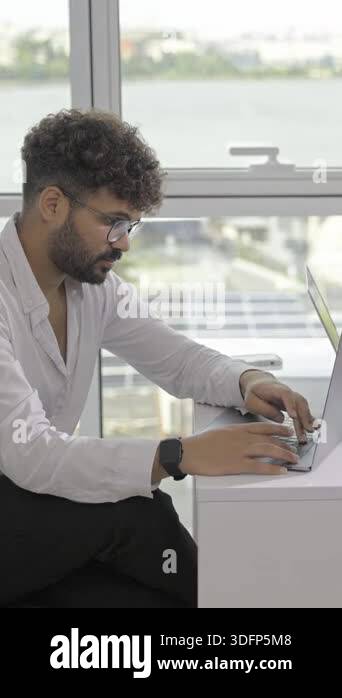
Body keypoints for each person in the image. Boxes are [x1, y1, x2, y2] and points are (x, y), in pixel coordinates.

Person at [0, 109, 316, 608]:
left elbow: (177, 359)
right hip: (14, 504)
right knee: (138, 515)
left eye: (132, 225)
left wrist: (246, 380)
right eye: (113, 223)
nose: (123, 242)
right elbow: (31, 454)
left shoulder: (90, 289)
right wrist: (179, 455)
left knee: (145, 567)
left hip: (36, 507)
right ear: (54, 204)